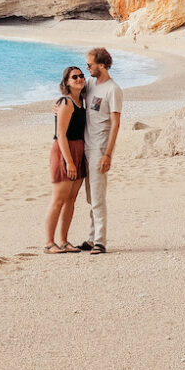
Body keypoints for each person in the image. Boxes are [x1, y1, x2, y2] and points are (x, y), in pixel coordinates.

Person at [78, 47, 122, 255]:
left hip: (100, 147)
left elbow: (115, 124)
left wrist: (108, 154)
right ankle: (91, 237)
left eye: (90, 64)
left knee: (98, 196)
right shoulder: (90, 83)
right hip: (85, 145)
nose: (87, 68)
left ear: (102, 65)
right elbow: (72, 97)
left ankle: (100, 241)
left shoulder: (113, 90)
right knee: (90, 197)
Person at [43, 66, 88, 254]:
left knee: (71, 199)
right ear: (67, 82)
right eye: (74, 77)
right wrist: (69, 162)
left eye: (81, 76)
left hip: (79, 149)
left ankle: (63, 240)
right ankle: (48, 243)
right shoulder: (66, 102)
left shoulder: (81, 101)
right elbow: (60, 134)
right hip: (64, 151)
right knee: (59, 199)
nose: (79, 79)